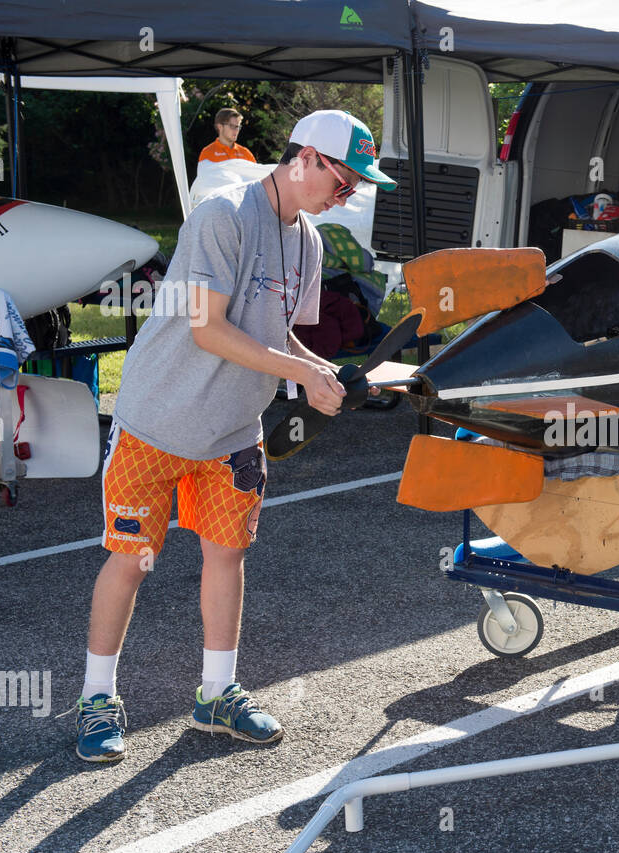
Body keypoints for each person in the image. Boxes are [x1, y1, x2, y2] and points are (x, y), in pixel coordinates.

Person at [72, 110, 397, 763]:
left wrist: (323, 374)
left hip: (233, 432)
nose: (350, 195)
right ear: (305, 158)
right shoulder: (221, 217)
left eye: (356, 185)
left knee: (227, 555)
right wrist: (301, 370)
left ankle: (217, 693)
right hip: (156, 420)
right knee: (131, 560)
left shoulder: (307, 242)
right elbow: (207, 330)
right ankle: (96, 697)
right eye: (345, 181)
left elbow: (282, 335)